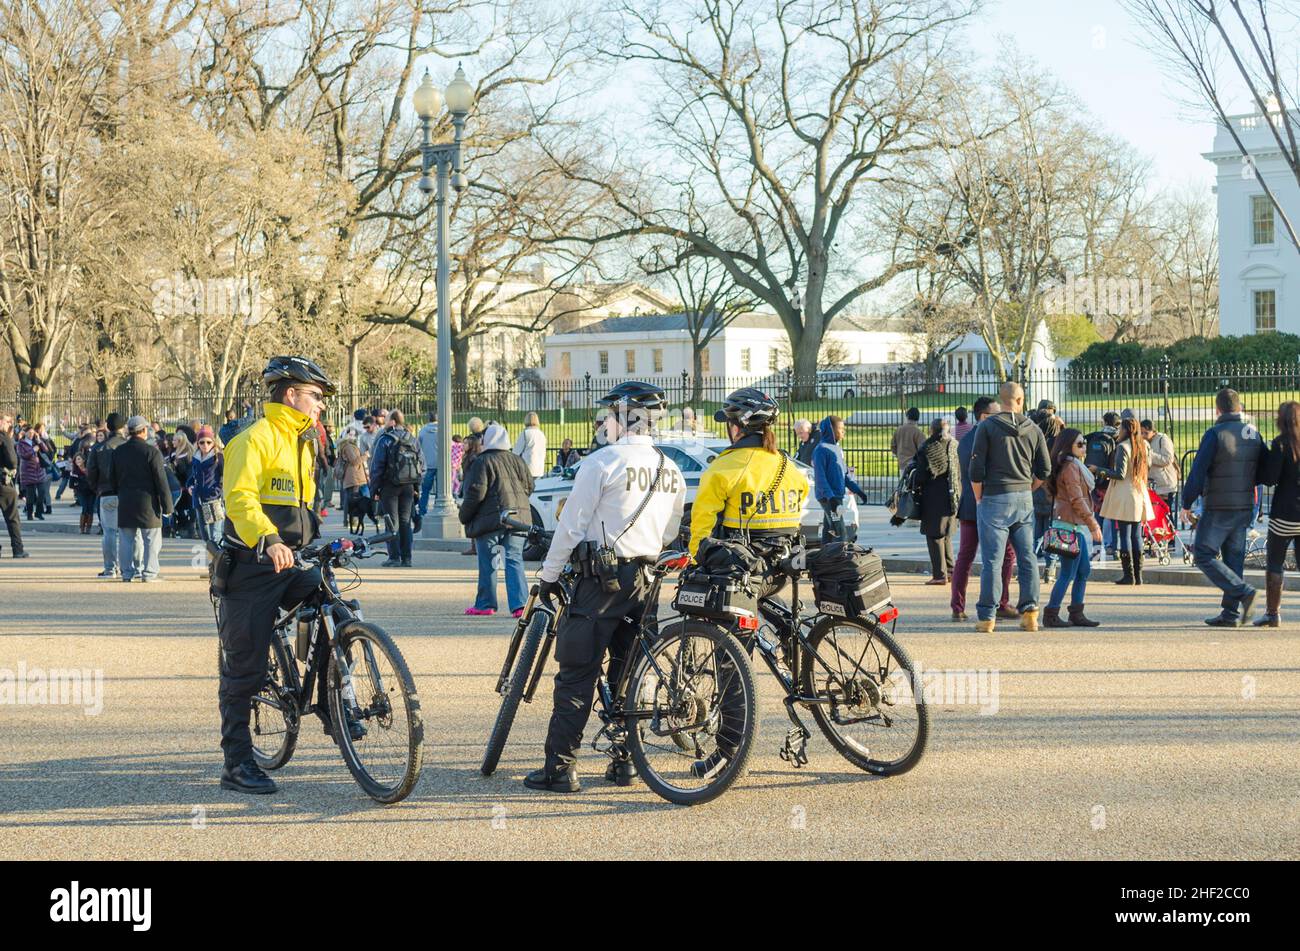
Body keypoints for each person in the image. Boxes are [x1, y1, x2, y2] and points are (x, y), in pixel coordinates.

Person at [526, 381, 688, 793]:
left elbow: (570, 526)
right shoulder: (669, 469)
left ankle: (560, 768)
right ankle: (626, 762)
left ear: (625, 417)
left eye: (610, 415)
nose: (605, 423)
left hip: (600, 581)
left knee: (577, 673)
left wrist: (548, 576)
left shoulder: (602, 463)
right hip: (646, 581)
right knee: (628, 672)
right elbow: (670, 530)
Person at [214, 355, 343, 795]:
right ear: (291, 395)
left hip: (291, 560)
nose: (321, 406)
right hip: (252, 565)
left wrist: (319, 541)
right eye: (316, 397)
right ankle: (237, 763)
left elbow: (300, 508)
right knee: (244, 670)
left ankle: (329, 699)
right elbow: (242, 500)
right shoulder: (255, 439)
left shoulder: (303, 440)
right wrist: (268, 539)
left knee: (336, 605)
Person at [968, 381, 1051, 633]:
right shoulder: (1033, 428)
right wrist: (1030, 487)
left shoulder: (987, 427)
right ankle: (1030, 613)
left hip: (994, 496)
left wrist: (979, 497)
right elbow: (1044, 470)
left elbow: (975, 470)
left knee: (993, 560)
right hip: (1023, 496)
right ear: (1021, 400)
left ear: (1001, 399)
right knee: (1027, 557)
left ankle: (987, 617)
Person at [1182, 388, 1264, 627]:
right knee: (1234, 557)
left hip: (1219, 504)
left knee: (1203, 553)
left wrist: (1187, 502)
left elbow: (1198, 470)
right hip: (1245, 504)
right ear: (1239, 407)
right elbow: (1264, 468)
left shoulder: (1215, 434)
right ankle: (1229, 613)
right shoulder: (1253, 433)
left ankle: (1244, 591)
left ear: (1217, 409)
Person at [951, 397, 1019, 622]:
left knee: (966, 556)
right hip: (991, 503)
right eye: (996, 413)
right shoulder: (992, 436)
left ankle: (957, 605)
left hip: (970, 505)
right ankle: (1001, 602)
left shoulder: (965, 440)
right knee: (1005, 554)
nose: (1001, 417)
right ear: (984, 416)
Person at [459, 423, 534, 615]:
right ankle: (520, 605)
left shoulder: (482, 462)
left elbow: (476, 493)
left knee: (488, 561)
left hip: (490, 520)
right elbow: (529, 486)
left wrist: (464, 515)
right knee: (514, 558)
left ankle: (486, 604)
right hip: (518, 517)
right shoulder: (517, 460)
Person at [1042, 429, 1102, 628]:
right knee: (1068, 573)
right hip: (1069, 526)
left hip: (1074, 526)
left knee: (1083, 570)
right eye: (1080, 444)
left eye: (1084, 442)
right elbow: (1077, 499)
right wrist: (1093, 524)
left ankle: (1076, 612)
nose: (1084, 446)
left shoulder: (1075, 465)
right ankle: (1051, 613)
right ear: (1068, 446)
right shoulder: (1070, 467)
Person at [108, 416, 174, 582]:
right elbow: (161, 480)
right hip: (148, 502)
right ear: (144, 430)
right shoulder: (152, 452)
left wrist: (119, 492)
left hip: (126, 500)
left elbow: (112, 478)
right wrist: (167, 506)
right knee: (151, 539)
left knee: (125, 540)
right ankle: (150, 572)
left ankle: (127, 572)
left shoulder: (118, 452)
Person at [1253, 401, 1300, 627]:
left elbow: (1270, 478)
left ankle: (1273, 613)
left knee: (1275, 562)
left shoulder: (1281, 444)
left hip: (1284, 513)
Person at [1098, 417, 1153, 586]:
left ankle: (1129, 575)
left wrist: (1100, 471)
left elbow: (1120, 474)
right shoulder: (1144, 445)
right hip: (1139, 490)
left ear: (1126, 430)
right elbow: (1149, 465)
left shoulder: (1123, 447)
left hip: (1124, 493)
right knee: (1137, 535)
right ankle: (1138, 575)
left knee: (1125, 535)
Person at [369, 409, 422, 567]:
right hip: (408, 486)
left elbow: (377, 466)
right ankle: (407, 557)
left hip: (390, 485)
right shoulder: (411, 438)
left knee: (392, 522)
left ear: (392, 422)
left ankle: (394, 557)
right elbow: (421, 464)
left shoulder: (386, 439)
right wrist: (416, 486)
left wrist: (374, 489)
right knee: (405, 521)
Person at [916, 418, 960, 584]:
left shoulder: (928, 447)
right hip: (953, 495)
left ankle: (939, 575)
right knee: (946, 534)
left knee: (934, 535)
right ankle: (950, 570)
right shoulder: (954, 445)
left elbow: (921, 475)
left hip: (934, 497)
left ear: (931, 430)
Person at [811, 415, 868, 542]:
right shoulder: (821, 450)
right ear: (831, 430)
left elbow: (844, 474)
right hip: (828, 498)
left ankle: (825, 557)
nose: (843, 431)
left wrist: (858, 491)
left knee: (829, 531)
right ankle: (840, 558)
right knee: (840, 532)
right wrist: (831, 499)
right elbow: (820, 478)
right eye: (841, 428)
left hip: (836, 496)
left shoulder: (837, 449)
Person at [86, 413, 128, 578]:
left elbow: (91, 473)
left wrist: (97, 488)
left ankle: (111, 568)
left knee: (109, 532)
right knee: (129, 532)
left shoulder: (99, 448)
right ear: (123, 427)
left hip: (106, 492)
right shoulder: (126, 445)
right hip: (126, 493)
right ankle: (130, 567)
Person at [188, 426, 224, 543]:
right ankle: (212, 560)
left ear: (213, 442)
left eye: (209, 442)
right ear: (198, 443)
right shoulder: (195, 457)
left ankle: (217, 560)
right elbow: (192, 476)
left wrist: (217, 491)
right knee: (205, 537)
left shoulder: (218, 457)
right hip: (198, 499)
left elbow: (225, 477)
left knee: (216, 536)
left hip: (214, 500)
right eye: (202, 442)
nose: (205, 445)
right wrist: (190, 486)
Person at [0, 412, 27, 558]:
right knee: (12, 518)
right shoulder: (4, 437)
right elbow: (12, 460)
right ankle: (18, 549)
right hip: (3, 482)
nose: (10, 425)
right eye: (8, 422)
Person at [1142, 419, 1179, 517]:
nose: (1143, 436)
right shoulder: (1143, 442)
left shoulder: (1163, 439)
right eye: (1141, 433)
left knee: (1165, 515)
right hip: (1151, 484)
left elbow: (1167, 459)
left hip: (1165, 485)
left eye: (1146, 433)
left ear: (1153, 432)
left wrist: (1149, 455)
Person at [416, 412, 439, 518]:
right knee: (441, 490)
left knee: (425, 490)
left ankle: (422, 510)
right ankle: (438, 507)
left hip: (427, 464)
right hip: (440, 465)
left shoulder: (422, 431)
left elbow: (417, 447)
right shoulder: (442, 430)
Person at [890, 407, 926, 474]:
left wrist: (899, 455)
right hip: (914, 465)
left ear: (907, 416)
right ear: (918, 417)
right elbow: (923, 449)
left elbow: (893, 446)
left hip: (902, 464)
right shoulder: (918, 432)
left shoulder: (899, 430)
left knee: (903, 483)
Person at [513, 412, 547, 478]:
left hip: (527, 467)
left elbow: (516, 451)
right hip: (539, 468)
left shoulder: (525, 433)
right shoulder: (541, 434)